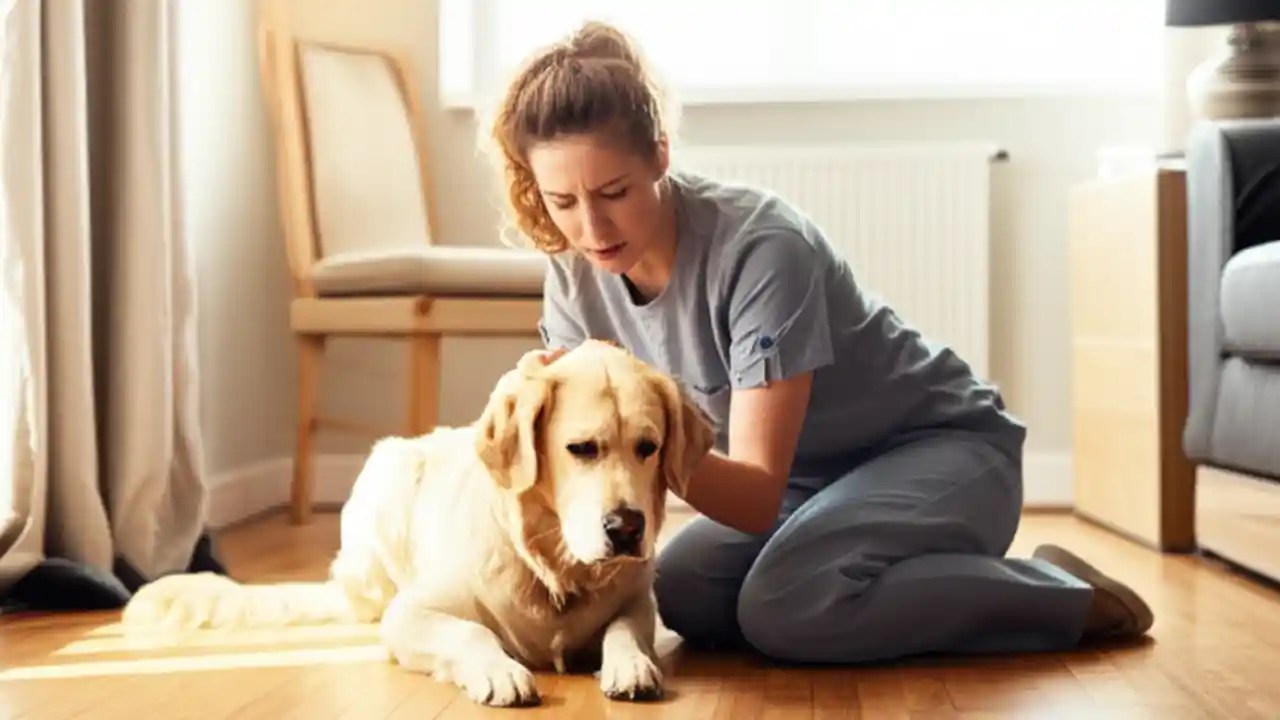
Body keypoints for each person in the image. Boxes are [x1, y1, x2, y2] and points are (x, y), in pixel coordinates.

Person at [484, 20, 1153, 664]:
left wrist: (660, 433)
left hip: (942, 452)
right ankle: (877, 573)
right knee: (683, 591)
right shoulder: (573, 273)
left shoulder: (763, 249)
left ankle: (1061, 595)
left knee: (787, 605)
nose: (592, 228)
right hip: (811, 487)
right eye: (562, 202)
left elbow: (753, 496)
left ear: (660, 153)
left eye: (613, 192)